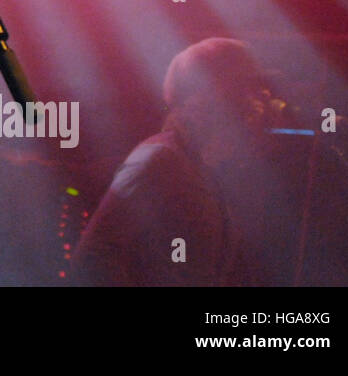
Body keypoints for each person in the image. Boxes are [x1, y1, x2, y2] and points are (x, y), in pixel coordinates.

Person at [70, 38, 284, 286]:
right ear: (207, 96)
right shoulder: (160, 162)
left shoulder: (205, 169)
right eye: (245, 90)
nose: (260, 101)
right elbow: (91, 262)